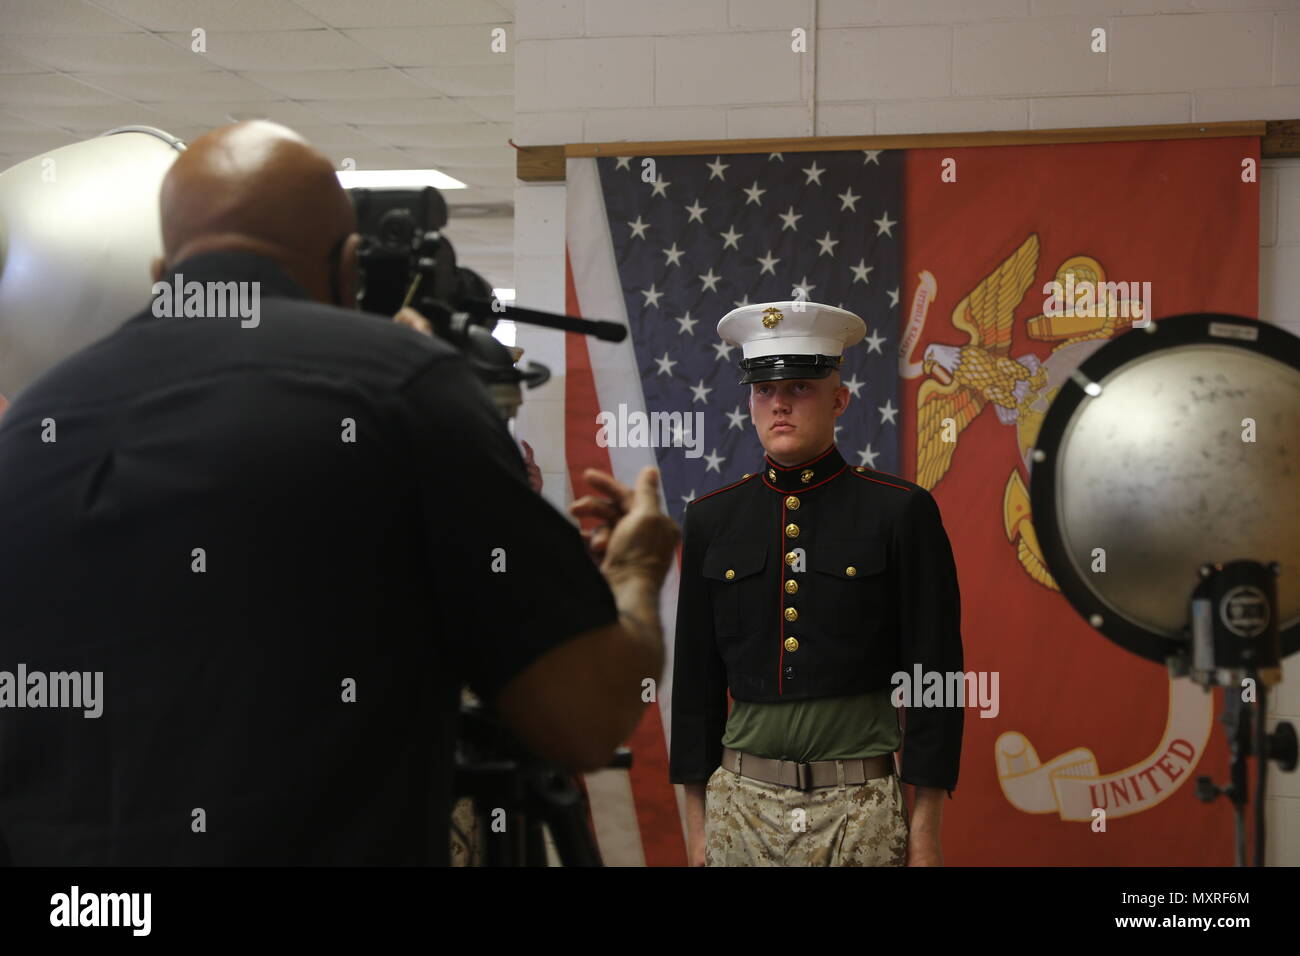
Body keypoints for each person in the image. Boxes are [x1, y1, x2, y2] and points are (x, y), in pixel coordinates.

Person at [0, 120, 678, 865]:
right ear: (347, 265)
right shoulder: (405, 390)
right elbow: (581, 718)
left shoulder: (35, 422)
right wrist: (636, 574)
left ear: (163, 271)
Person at [669, 301, 964, 867]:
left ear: (839, 399)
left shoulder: (899, 512)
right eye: (764, 390)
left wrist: (925, 829)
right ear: (751, 403)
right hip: (740, 808)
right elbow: (695, 687)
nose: (778, 402)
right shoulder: (712, 518)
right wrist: (696, 825)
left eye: (800, 386)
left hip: (861, 809)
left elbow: (936, 679)